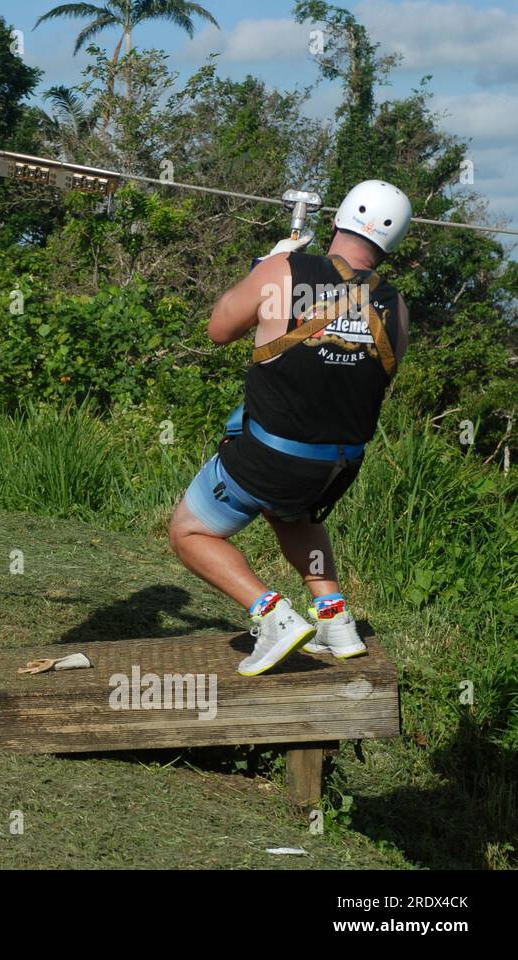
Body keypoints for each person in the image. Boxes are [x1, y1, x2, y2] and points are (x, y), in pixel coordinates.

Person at [169, 180, 413, 676]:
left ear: (339, 217)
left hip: (272, 457)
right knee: (293, 513)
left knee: (189, 532)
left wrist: (264, 268)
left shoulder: (285, 271)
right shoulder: (397, 306)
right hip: (336, 465)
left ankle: (272, 614)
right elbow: (362, 375)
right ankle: (335, 619)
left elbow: (219, 329)